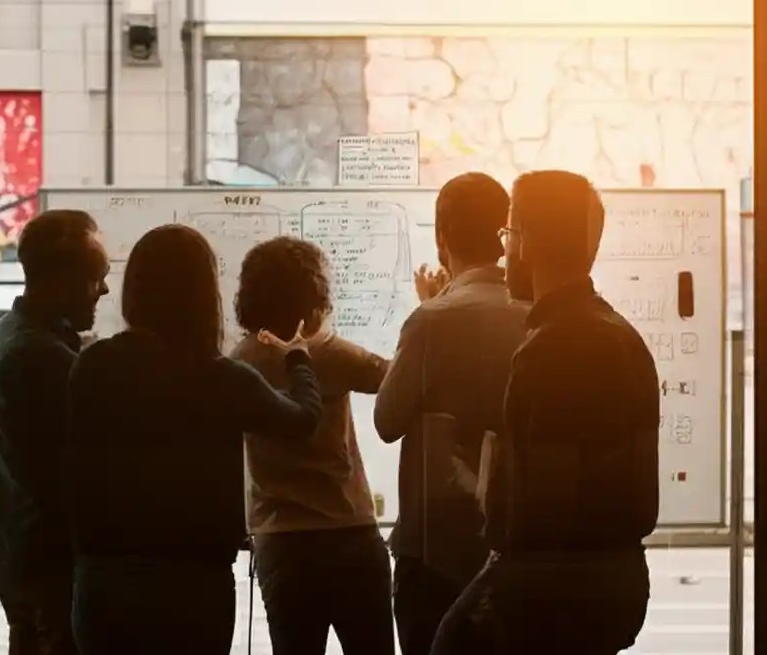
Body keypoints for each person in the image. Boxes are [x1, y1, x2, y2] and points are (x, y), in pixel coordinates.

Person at [66, 224, 324, 655]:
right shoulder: (221, 377)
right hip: (194, 587)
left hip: (105, 581)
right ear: (204, 295)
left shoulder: (92, 366)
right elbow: (302, 420)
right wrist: (298, 357)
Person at [432, 170, 659, 654]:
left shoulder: (559, 346)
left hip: (559, 588)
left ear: (528, 240)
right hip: (613, 578)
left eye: (508, 233)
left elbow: (550, 502)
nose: (504, 249)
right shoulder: (616, 332)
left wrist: (486, 491)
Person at [373, 172, 529, 655]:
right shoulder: (534, 314)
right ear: (502, 239)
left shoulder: (431, 321)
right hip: (514, 546)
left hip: (436, 551)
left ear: (441, 237)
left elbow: (386, 421)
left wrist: (432, 308)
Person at [231, 236, 394, 655]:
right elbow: (396, 378)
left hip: (281, 541)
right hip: (350, 533)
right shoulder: (332, 354)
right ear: (314, 298)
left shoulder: (240, 362)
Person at [0, 209, 111, 655]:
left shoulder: (5, 338)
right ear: (63, 278)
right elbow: (80, 473)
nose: (105, 289)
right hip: (56, 569)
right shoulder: (41, 357)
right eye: (97, 277)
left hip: (22, 559)